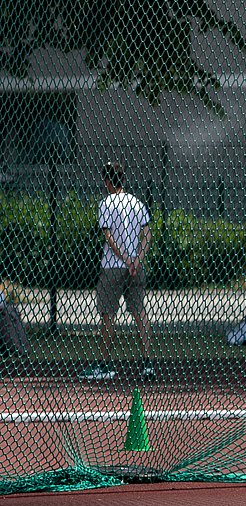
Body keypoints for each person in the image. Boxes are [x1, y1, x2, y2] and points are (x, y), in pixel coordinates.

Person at [80, 161, 154, 380]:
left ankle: (103, 364)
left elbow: (109, 236)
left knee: (108, 315)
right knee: (139, 313)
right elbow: (147, 233)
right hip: (135, 267)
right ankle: (148, 363)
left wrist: (124, 258)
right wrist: (136, 259)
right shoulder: (136, 202)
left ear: (107, 181)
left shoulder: (106, 203)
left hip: (112, 267)